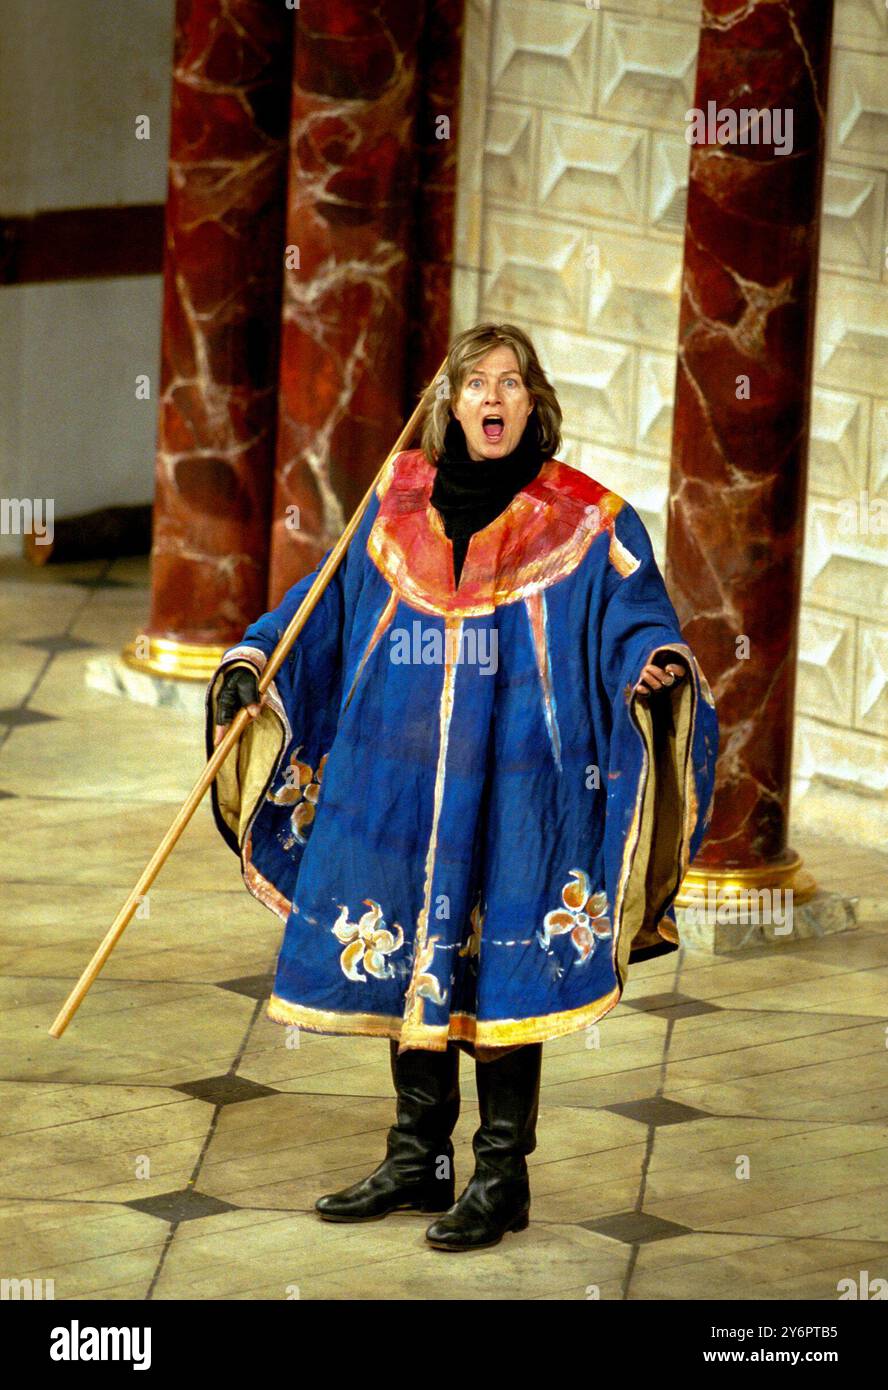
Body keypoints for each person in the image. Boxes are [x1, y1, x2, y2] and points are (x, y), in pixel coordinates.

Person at [205, 322, 718, 1252]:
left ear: (534, 403)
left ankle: (500, 1175)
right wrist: (257, 659)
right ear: (451, 402)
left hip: (520, 789)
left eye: (511, 383)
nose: (493, 397)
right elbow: (322, 601)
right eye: (476, 382)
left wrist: (647, 663)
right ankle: (417, 1159)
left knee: (501, 963)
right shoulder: (394, 498)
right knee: (409, 952)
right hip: (395, 786)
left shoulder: (589, 519)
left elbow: (635, 614)